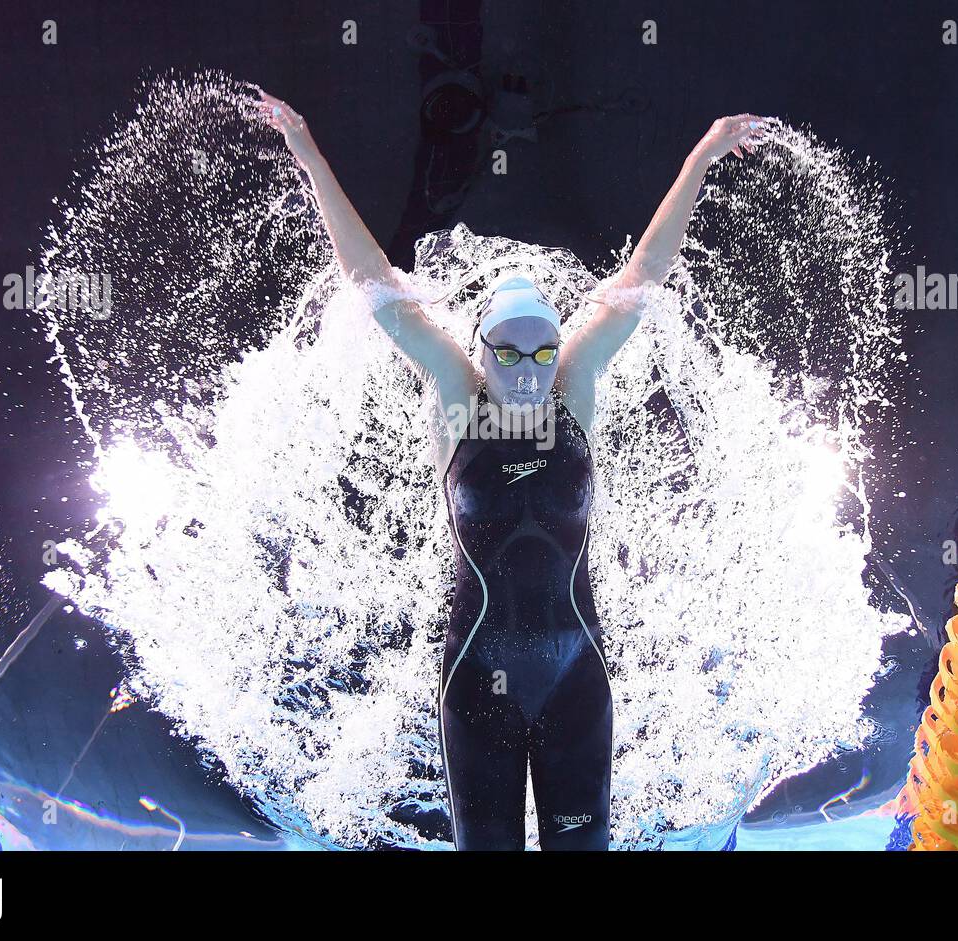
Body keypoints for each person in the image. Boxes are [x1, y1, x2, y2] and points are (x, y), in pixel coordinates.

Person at [256, 87, 774, 850]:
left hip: (576, 681)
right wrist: (309, 153)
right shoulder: (458, 402)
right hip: (475, 688)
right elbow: (373, 286)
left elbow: (641, 279)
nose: (529, 368)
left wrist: (701, 157)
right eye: (510, 351)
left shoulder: (573, 392)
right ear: (482, 348)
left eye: (541, 349)